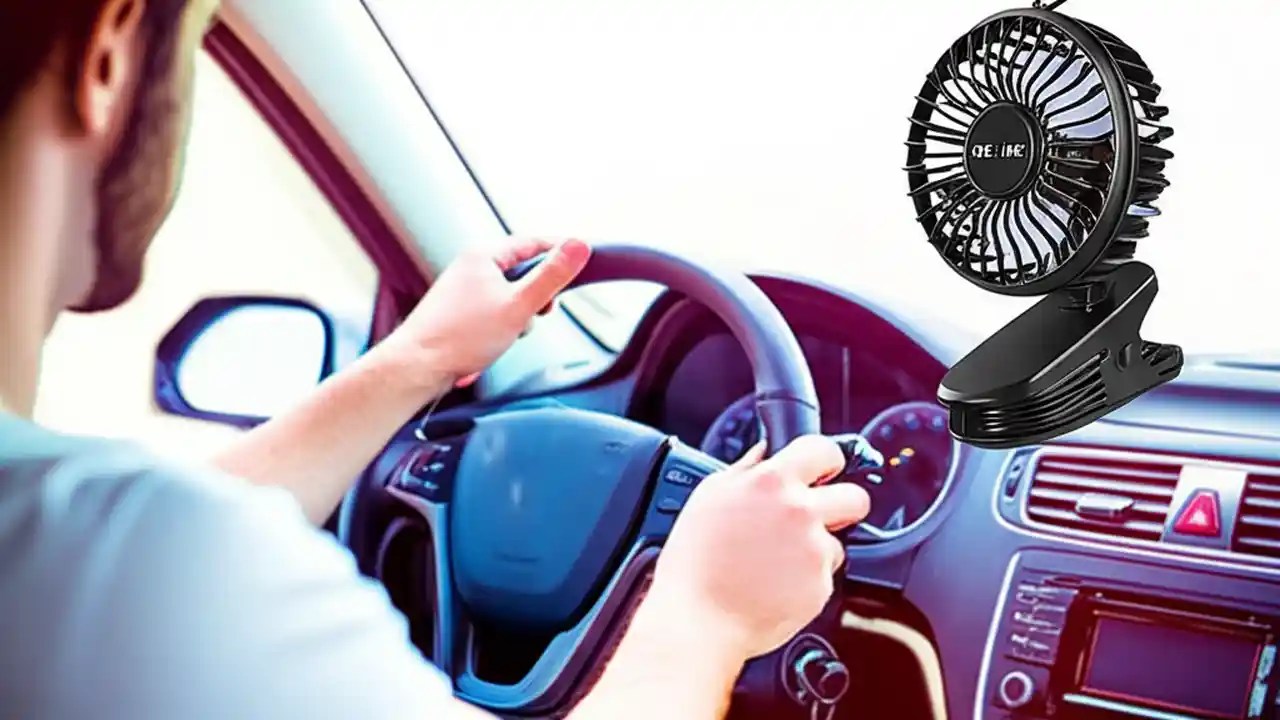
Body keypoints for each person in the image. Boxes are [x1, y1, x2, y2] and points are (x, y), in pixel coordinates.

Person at [0, 1, 872, 718]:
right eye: (195, 39)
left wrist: (417, 358)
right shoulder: (130, 566)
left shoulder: (68, 556)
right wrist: (705, 612)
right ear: (110, 52)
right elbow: (152, 553)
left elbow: (139, 549)